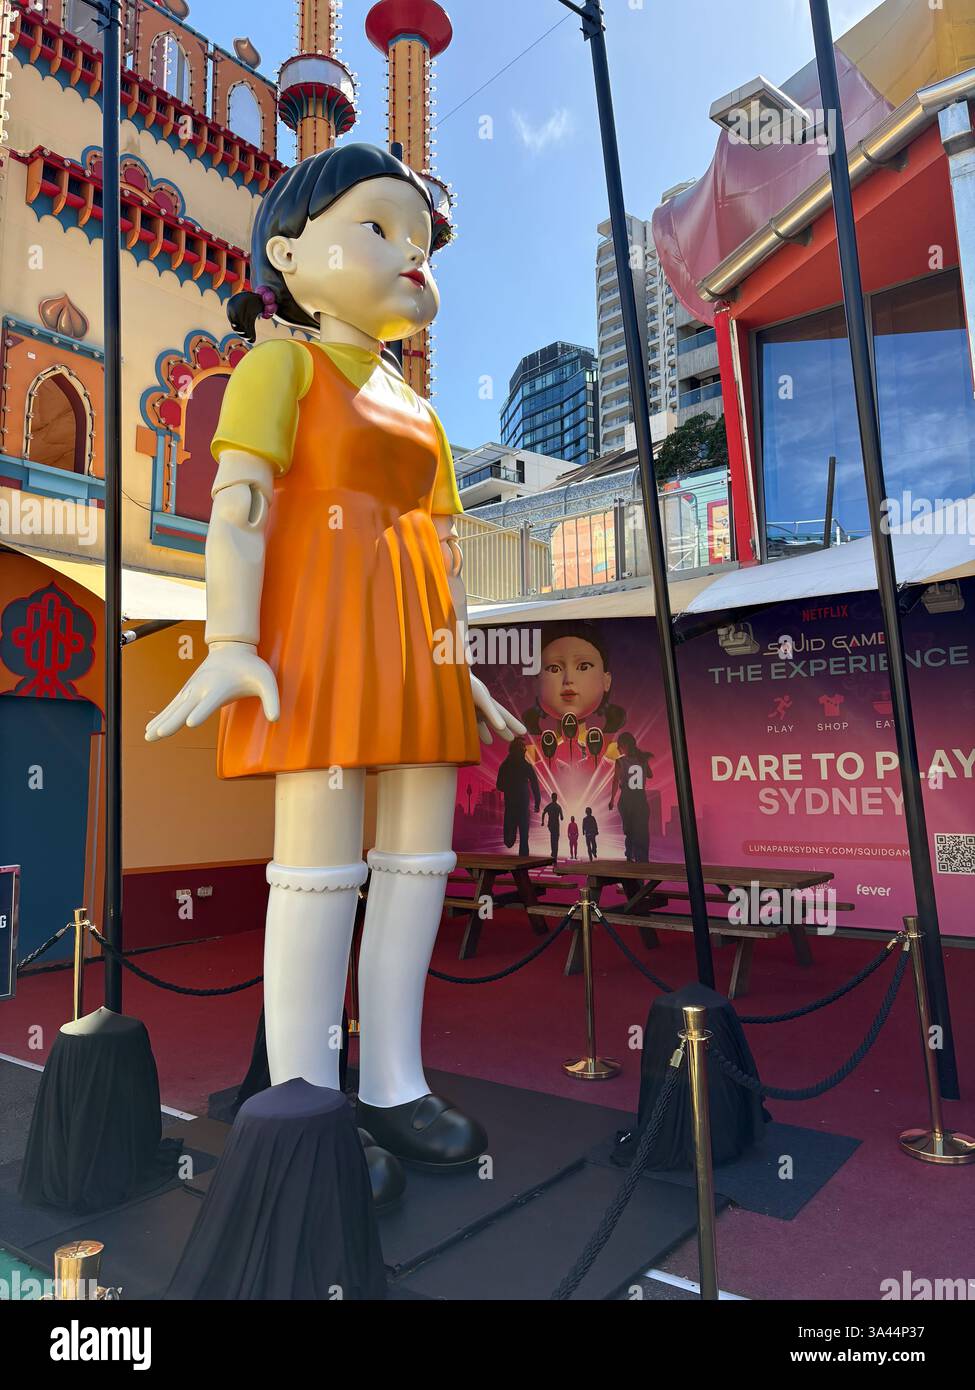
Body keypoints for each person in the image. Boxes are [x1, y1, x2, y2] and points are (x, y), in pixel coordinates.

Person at [145, 144, 524, 1180]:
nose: (409, 255)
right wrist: (229, 640)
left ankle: (395, 1083)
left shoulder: (425, 411)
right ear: (289, 254)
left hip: (417, 650)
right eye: (379, 227)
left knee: (417, 864)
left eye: (422, 241)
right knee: (316, 869)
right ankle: (301, 1107)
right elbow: (241, 506)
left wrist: (466, 664)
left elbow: (446, 548)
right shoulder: (280, 365)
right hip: (325, 636)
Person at [522, 622, 626, 740]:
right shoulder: (532, 751)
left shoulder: (612, 750)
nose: (569, 679)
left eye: (583, 667)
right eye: (554, 669)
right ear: (536, 684)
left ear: (606, 680)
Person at [609, 732, 654, 863]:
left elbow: (615, 781)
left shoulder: (620, 762)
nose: (618, 749)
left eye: (619, 746)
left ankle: (630, 856)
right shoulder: (642, 759)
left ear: (625, 746)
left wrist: (612, 799)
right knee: (641, 832)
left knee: (630, 831)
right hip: (640, 799)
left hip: (627, 799)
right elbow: (650, 775)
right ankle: (641, 859)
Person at [496, 736, 541, 856]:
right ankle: (522, 862)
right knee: (516, 839)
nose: (524, 751)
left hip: (516, 806)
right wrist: (537, 802)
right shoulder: (521, 766)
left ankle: (523, 865)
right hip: (515, 805)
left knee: (516, 839)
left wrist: (537, 802)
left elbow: (499, 785)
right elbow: (535, 785)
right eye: (522, 749)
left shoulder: (506, 765)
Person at [541, 792, 564, 862]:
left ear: (552, 798)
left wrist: (542, 822)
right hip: (555, 825)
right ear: (556, 798)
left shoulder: (550, 806)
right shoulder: (558, 806)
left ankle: (554, 853)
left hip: (551, 825)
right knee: (555, 839)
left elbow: (543, 813)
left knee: (553, 838)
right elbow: (562, 817)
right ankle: (554, 854)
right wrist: (561, 817)